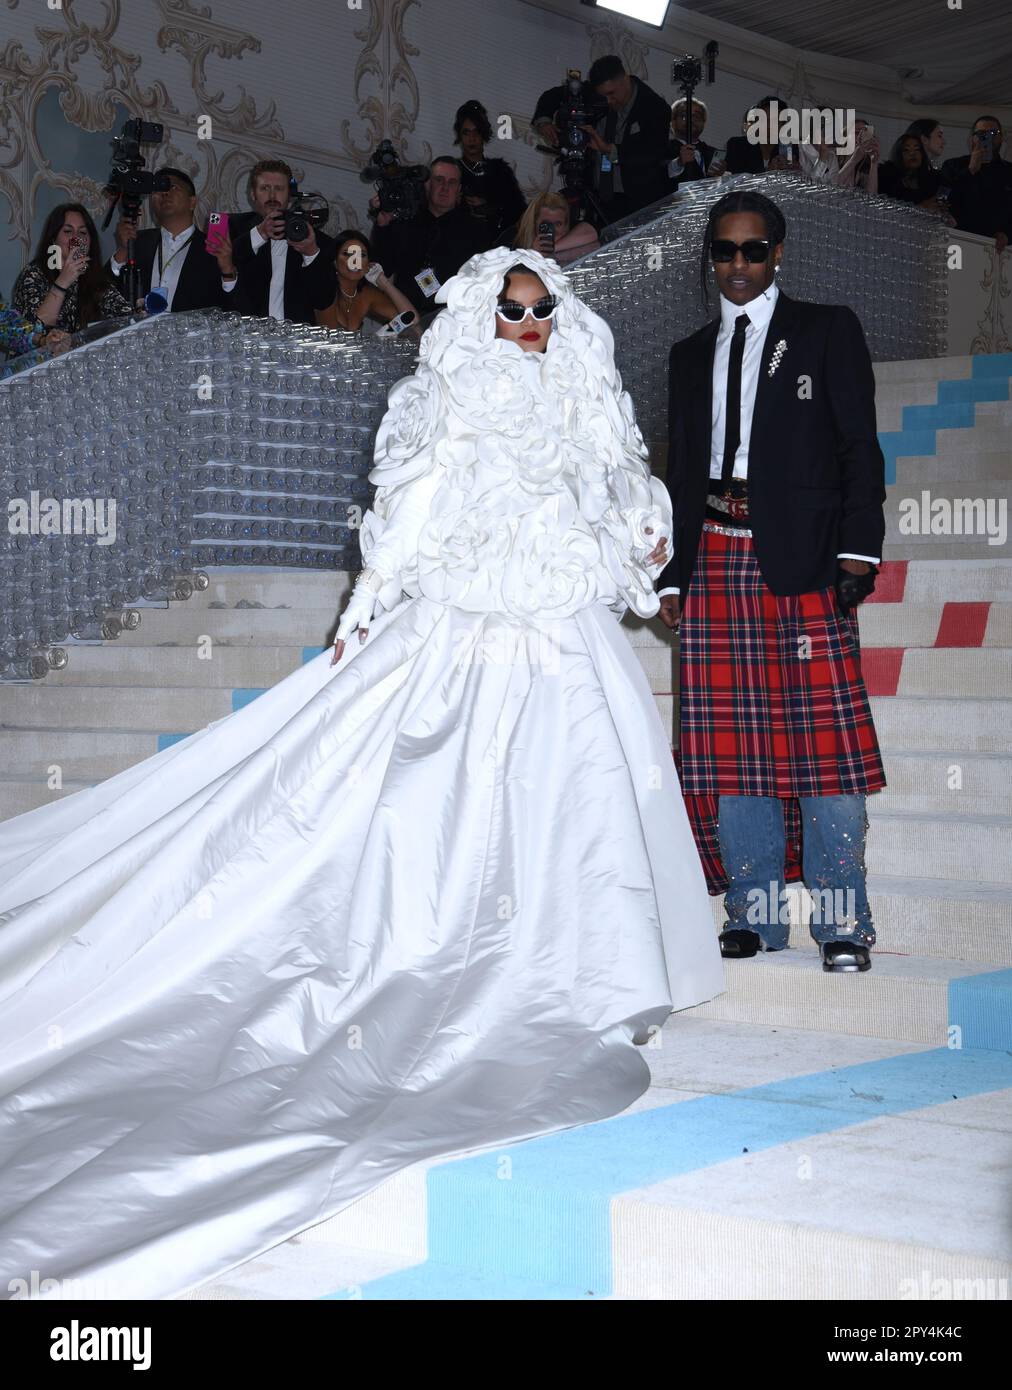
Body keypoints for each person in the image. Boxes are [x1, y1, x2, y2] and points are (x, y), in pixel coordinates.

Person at [0, 244, 723, 1299]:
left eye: (541, 316)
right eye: (512, 315)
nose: (529, 331)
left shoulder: (583, 404)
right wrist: (365, 610)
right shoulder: (448, 409)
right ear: (480, 322)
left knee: (581, 799)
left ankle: (588, 962)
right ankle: (490, 961)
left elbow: (622, 519)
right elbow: (410, 515)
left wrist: (643, 542)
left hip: (563, 636)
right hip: (465, 635)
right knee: (459, 805)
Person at [654, 190, 886, 973]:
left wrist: (860, 547)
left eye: (754, 250)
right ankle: (753, 914)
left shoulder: (826, 330)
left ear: (779, 253)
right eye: (725, 251)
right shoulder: (690, 355)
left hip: (807, 556)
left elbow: (859, 445)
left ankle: (843, 921)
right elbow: (681, 471)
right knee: (732, 753)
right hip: (715, 552)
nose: (739, 265)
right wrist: (671, 573)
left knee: (826, 753)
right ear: (711, 257)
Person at [368, 155, 488, 316]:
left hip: (451, 320)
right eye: (439, 180)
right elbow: (382, 269)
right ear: (427, 184)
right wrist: (382, 225)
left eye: (451, 182)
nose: (445, 187)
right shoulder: (405, 220)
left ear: (459, 189)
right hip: (404, 315)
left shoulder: (476, 231)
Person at [107, 167, 239, 311]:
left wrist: (227, 270)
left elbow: (234, 309)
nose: (164, 192)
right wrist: (123, 250)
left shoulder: (215, 249)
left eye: (172, 187)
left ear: (192, 202)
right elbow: (103, 295)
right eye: (158, 189)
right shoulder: (137, 241)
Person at [228, 159, 337, 323]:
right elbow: (218, 269)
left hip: (295, 344)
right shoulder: (233, 227)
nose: (272, 196)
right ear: (253, 194)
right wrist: (260, 234)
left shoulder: (317, 241)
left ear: (290, 194)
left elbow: (323, 301)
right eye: (265, 188)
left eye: (279, 189)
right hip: (243, 341)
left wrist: (311, 254)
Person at [580, 54, 673, 221]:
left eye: (611, 93)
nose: (608, 101)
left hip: (637, 203)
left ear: (624, 79)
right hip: (597, 198)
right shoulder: (601, 93)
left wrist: (610, 150)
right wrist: (545, 122)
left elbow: (651, 153)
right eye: (604, 96)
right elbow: (557, 94)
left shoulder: (655, 107)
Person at [11, 203, 131, 332]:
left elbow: (125, 316)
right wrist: (63, 282)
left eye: (83, 232)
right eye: (68, 231)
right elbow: (33, 331)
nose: (76, 238)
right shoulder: (34, 274)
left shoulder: (95, 278)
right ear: (53, 238)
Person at [453, 99, 526, 244]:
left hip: (497, 247)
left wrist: (491, 208)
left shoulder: (500, 171)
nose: (472, 139)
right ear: (460, 136)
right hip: (459, 244)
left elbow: (519, 213)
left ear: (483, 135)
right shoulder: (452, 171)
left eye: (476, 132)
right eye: (466, 133)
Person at [314, 229, 417, 331]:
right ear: (335, 262)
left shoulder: (366, 294)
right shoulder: (325, 291)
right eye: (347, 254)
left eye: (361, 255)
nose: (354, 261)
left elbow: (413, 320)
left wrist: (384, 283)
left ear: (368, 263)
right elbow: (331, 340)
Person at [938, 117, 1012, 254]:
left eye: (993, 133)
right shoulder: (953, 166)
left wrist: (1008, 234)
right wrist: (970, 170)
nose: (988, 138)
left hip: (999, 250)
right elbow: (942, 200)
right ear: (972, 139)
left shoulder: (1009, 172)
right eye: (982, 134)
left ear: (1001, 138)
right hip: (960, 243)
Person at [511, 191, 599, 265]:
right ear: (534, 223)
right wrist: (532, 253)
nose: (553, 230)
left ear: (565, 224)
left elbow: (592, 230)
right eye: (546, 224)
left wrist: (551, 248)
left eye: (558, 224)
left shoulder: (570, 232)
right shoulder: (512, 239)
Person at [725, 98, 799, 174]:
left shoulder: (790, 148)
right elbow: (734, 179)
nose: (768, 124)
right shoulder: (738, 145)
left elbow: (793, 178)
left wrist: (793, 169)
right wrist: (768, 172)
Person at [878, 133, 943, 209]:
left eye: (917, 149)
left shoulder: (933, 178)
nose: (912, 153)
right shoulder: (886, 176)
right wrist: (921, 207)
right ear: (898, 154)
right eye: (906, 150)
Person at [666, 96, 719, 187]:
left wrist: (720, 177)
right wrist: (679, 163)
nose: (691, 120)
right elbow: (658, 174)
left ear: (704, 123)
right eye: (684, 116)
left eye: (697, 116)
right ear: (673, 122)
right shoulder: (663, 147)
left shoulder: (713, 153)